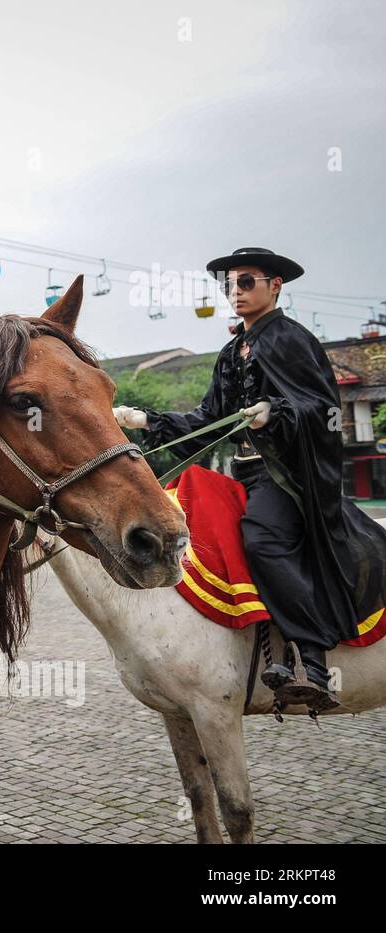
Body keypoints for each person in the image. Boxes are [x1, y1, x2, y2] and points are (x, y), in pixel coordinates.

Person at [114, 247, 369, 711]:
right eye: (229, 285)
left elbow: (322, 409)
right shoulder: (233, 351)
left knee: (264, 540)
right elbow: (208, 419)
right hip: (244, 475)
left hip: (285, 478)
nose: (236, 292)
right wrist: (147, 422)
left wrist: (276, 413)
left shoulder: (292, 339)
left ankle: (311, 663)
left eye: (246, 282)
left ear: (275, 286)